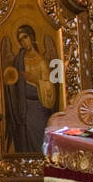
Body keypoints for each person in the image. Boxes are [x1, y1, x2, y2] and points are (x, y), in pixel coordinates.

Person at [4, 24, 58, 152]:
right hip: (24, 107)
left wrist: (36, 81)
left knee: (39, 139)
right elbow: (13, 80)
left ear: (32, 37)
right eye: (20, 40)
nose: (23, 42)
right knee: (25, 140)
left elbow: (50, 88)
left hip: (38, 108)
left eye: (25, 37)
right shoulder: (19, 60)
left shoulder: (41, 61)